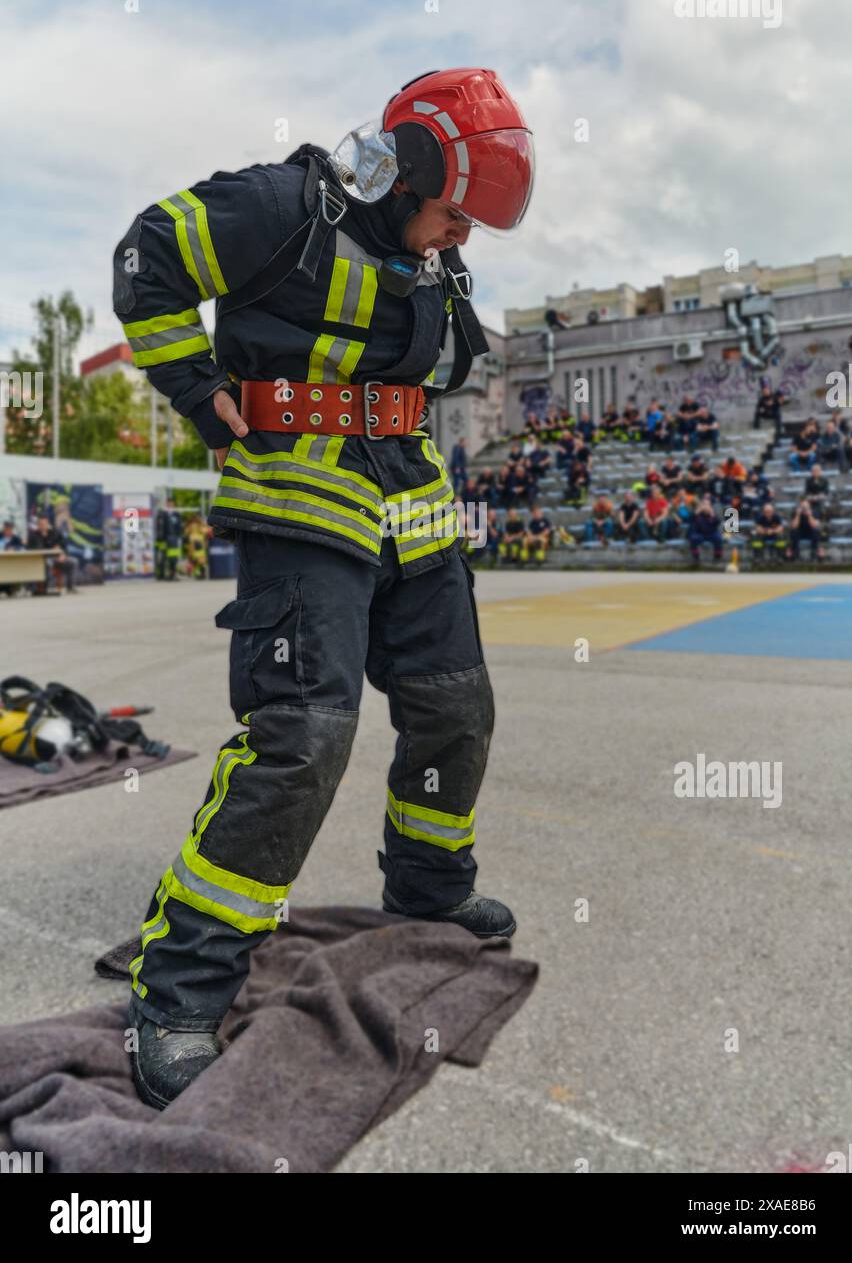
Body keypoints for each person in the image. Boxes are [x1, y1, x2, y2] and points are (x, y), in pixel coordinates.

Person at [113, 66, 534, 1108]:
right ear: (411, 177)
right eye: (453, 213)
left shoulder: (434, 266)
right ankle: (180, 987)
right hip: (303, 497)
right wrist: (201, 395)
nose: (460, 237)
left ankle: (429, 894)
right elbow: (145, 257)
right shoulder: (281, 208)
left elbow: (442, 368)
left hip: (415, 504)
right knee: (303, 733)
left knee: (454, 708)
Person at [27, 514, 77, 593]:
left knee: (73, 561)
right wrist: (50, 547)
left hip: (58, 558)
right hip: (42, 559)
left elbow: (64, 545)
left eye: (44, 524)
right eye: (40, 524)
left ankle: (70, 587)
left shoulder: (55, 533)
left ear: (48, 524)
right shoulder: (34, 535)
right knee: (47, 563)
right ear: (38, 525)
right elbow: (33, 549)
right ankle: (44, 588)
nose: (43, 526)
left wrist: (63, 555)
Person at [688, 495, 723, 566]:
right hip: (699, 533)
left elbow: (718, 522)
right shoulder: (697, 513)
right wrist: (697, 512)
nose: (705, 506)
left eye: (707, 504)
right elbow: (690, 520)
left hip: (711, 533)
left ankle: (717, 557)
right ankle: (696, 557)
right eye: (704, 504)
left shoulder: (712, 513)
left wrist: (712, 514)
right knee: (693, 538)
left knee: (718, 539)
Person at [155, 498, 184, 580]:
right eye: (168, 504)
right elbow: (159, 527)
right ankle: (161, 574)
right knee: (163, 557)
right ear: (166, 504)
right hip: (164, 539)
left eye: (171, 504)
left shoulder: (177, 514)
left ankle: (172, 574)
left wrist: (179, 536)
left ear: (173, 505)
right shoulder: (162, 514)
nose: (170, 505)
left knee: (173, 558)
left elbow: (179, 526)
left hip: (174, 539)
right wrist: (160, 538)